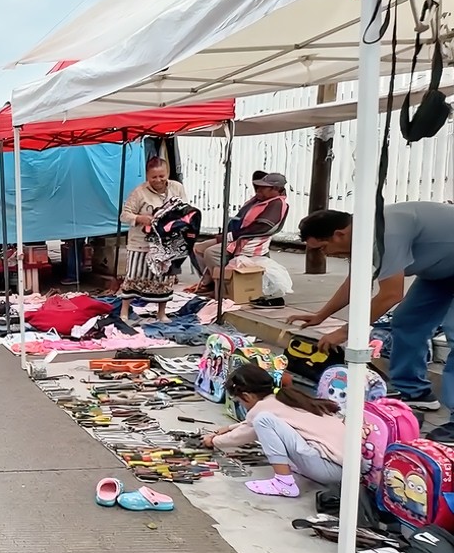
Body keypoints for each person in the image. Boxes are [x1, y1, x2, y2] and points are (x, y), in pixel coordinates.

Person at [293, 204, 454, 436]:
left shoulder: (386, 233)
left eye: (323, 247)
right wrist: (321, 316)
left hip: (446, 266)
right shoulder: (365, 232)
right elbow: (355, 281)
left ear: (340, 234)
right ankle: (414, 391)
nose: (325, 254)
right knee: (408, 321)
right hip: (442, 270)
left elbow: (390, 295)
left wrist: (345, 332)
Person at [204, 363, 346, 497]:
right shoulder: (283, 398)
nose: (240, 404)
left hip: (328, 470)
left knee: (263, 420)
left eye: (239, 401)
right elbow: (249, 424)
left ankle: (283, 483)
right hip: (344, 472)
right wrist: (228, 428)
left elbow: (243, 434)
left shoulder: (263, 409)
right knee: (263, 420)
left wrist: (214, 441)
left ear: (247, 396)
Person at [192, 171, 290, 294]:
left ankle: (224, 288)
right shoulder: (258, 200)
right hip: (235, 236)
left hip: (247, 241)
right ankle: (210, 283)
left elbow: (260, 227)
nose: (258, 189)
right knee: (197, 248)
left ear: (275, 189)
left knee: (211, 253)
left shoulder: (277, 204)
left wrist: (230, 236)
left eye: (263, 187)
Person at [118, 156, 187, 323]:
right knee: (134, 276)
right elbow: (124, 215)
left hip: (167, 243)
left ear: (167, 173)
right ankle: (124, 312)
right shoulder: (139, 192)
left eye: (161, 176)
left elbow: (185, 209)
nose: (158, 180)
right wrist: (142, 218)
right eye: (153, 177)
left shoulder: (177, 188)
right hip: (141, 243)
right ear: (147, 176)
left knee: (164, 279)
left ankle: (161, 313)